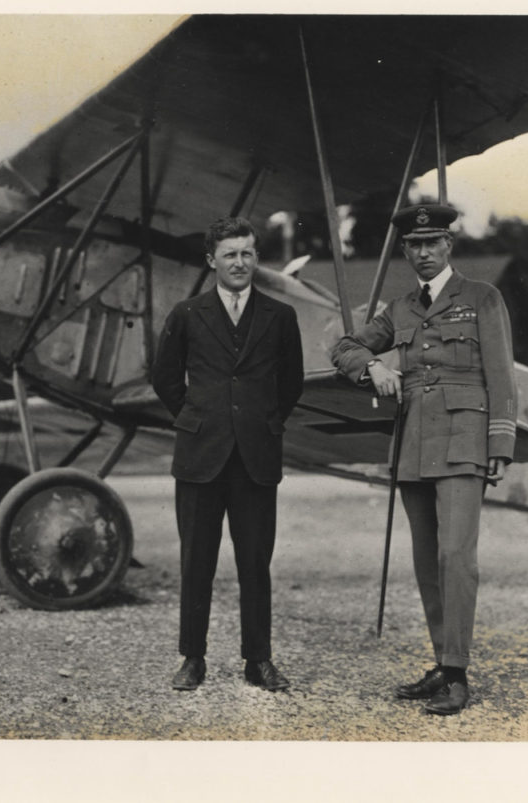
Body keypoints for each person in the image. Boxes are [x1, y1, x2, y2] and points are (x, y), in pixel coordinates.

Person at [331, 203, 516, 715]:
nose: (424, 252)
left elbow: (501, 374)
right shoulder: (400, 308)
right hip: (413, 443)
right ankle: (441, 663)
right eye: (414, 245)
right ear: (406, 251)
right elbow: (344, 348)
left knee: (456, 558)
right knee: (426, 560)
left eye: (433, 242)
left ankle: (457, 673)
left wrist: (500, 445)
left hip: (463, 441)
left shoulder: (481, 298)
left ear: (449, 245)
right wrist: (372, 366)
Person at [152, 215, 304, 692]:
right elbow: (165, 379)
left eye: (247, 253)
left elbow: (292, 383)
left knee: (254, 564)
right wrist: (197, 417)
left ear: (256, 258)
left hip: (256, 458)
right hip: (201, 457)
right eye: (230, 254)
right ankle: (192, 659)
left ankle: (258, 661)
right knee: (197, 561)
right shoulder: (187, 314)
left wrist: (265, 422)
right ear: (211, 261)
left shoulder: (281, 317)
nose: (239, 263)